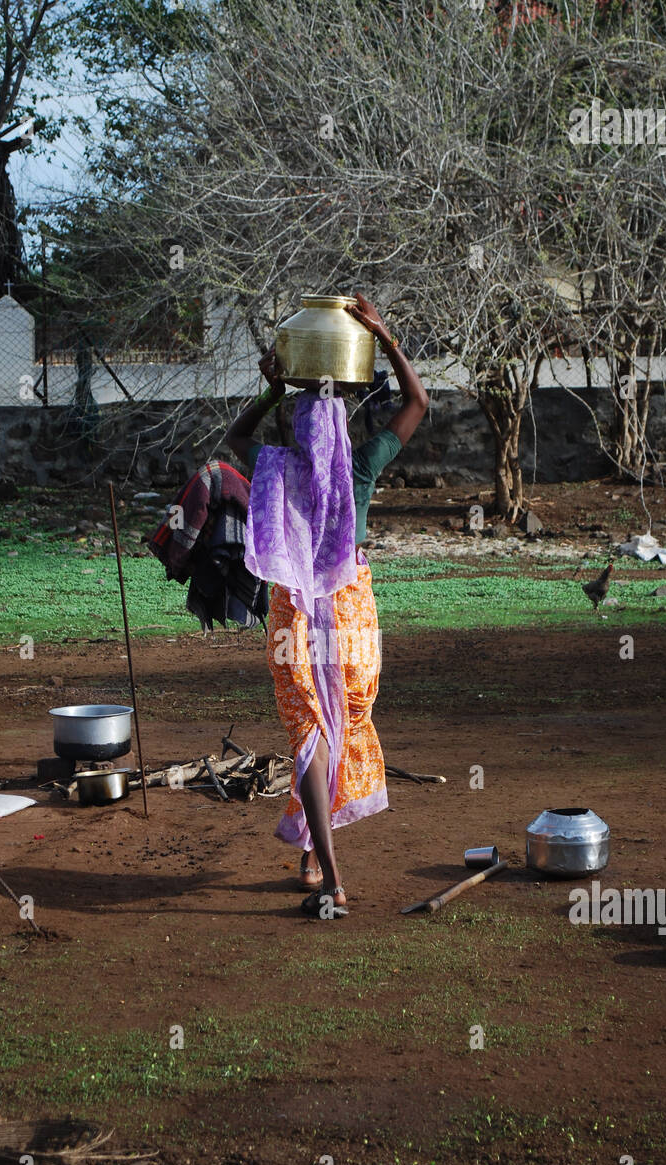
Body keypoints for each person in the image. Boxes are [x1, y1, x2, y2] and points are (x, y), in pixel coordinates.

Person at [224, 292, 428, 917]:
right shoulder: (359, 467)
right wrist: (385, 336)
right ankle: (324, 862)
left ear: (292, 426)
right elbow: (420, 404)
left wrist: (271, 391)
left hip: (295, 610)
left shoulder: (274, 468)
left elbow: (235, 437)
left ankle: (321, 861)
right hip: (347, 610)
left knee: (312, 728)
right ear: (343, 432)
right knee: (343, 720)